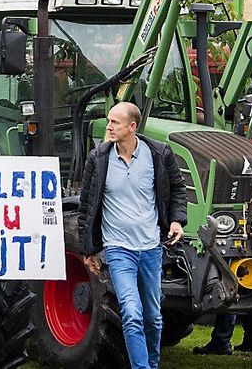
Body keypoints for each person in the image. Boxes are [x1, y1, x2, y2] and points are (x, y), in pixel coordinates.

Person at [77, 101, 187, 369]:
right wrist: (88, 249)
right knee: (131, 312)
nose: (109, 126)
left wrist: (176, 220)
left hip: (150, 248)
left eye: (115, 122)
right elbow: (86, 204)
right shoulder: (98, 158)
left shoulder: (159, 154)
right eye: (109, 120)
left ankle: (152, 363)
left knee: (153, 317)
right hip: (118, 249)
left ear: (132, 126)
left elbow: (177, 189)